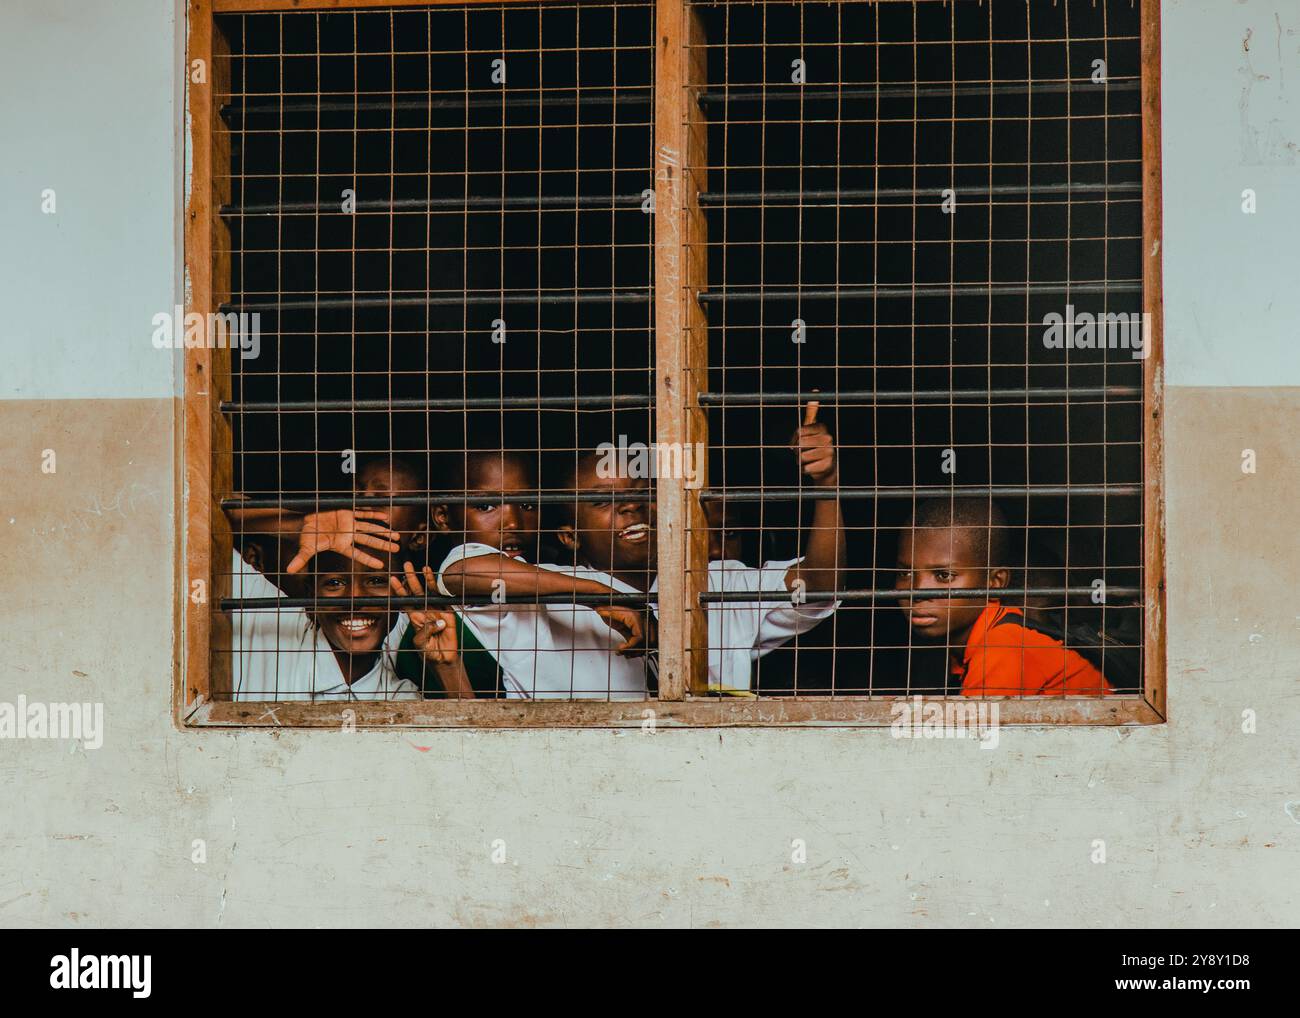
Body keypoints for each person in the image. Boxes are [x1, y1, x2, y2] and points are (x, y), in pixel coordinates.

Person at [434, 403, 844, 697]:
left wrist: (827, 484)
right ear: (568, 535)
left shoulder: (715, 581)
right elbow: (462, 572)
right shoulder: (539, 602)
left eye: (642, 493)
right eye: (601, 502)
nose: (630, 507)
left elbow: (820, 586)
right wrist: (602, 597)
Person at [893, 497, 1112, 696]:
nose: (918, 591)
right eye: (905, 573)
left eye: (944, 575)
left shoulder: (1003, 646)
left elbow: (971, 737)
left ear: (995, 582)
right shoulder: (970, 644)